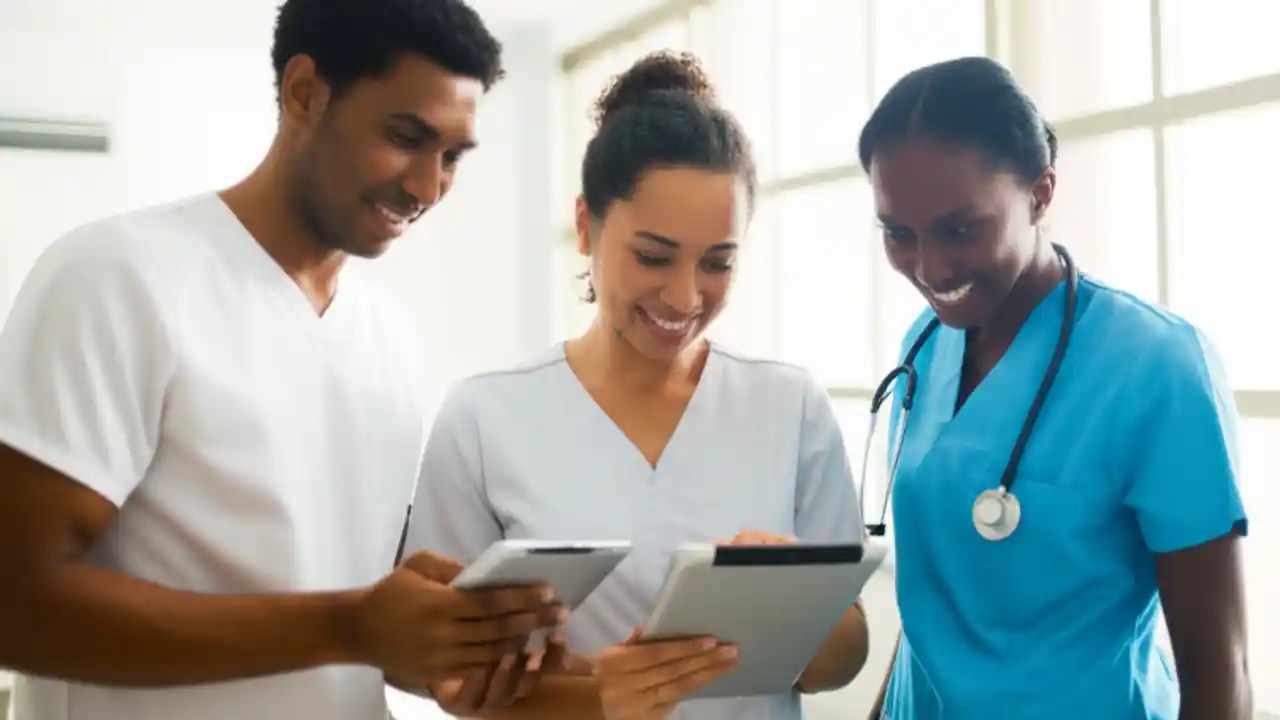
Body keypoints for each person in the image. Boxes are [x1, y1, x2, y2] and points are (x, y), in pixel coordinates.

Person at [0, 2, 566, 719]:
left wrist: (452, 634)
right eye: (404, 136)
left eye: (451, 156)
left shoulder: (387, 337)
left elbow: (351, 615)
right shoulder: (118, 277)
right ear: (304, 91)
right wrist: (349, 624)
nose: (427, 187)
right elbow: (14, 604)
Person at [402, 51, 871, 720]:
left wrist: (792, 602)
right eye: (653, 256)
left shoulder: (789, 406)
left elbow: (843, 661)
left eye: (718, 263)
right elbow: (438, 672)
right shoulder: (484, 418)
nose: (684, 296)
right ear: (587, 225)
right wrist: (595, 698)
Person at [858, 56, 1252, 720]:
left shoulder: (1155, 365)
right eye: (899, 234)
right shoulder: (921, 347)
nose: (929, 267)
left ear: (1040, 194)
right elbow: (936, 610)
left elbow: (1221, 671)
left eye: (959, 229)